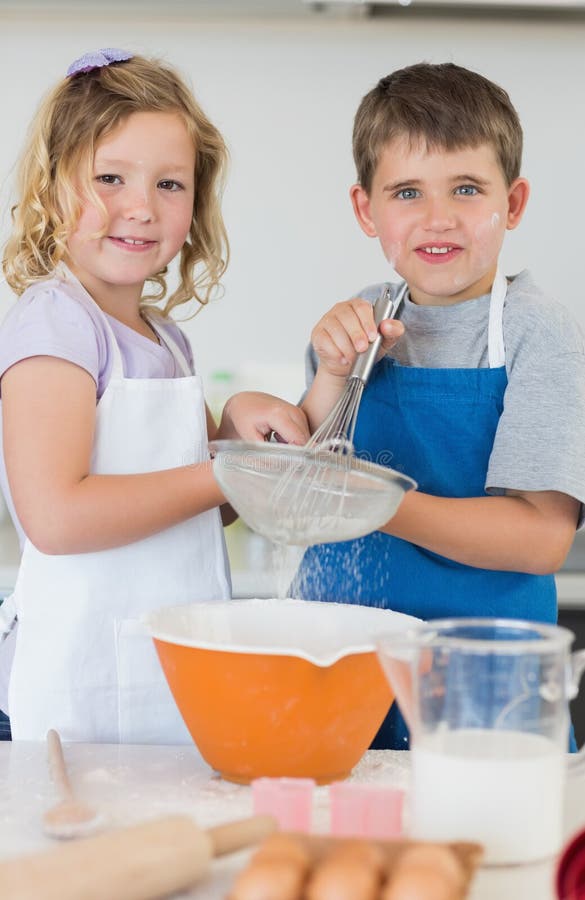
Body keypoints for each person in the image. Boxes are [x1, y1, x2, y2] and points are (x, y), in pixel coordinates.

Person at [0, 49, 309, 743]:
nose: (139, 207)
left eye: (170, 184)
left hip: (161, 680)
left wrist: (235, 430)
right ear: (51, 190)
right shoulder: (57, 322)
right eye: (109, 178)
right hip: (79, 699)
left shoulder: (164, 338)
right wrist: (219, 468)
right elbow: (53, 515)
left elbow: (206, 509)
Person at [294, 62, 585, 749]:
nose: (437, 218)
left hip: (481, 689)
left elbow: (541, 536)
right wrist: (328, 374)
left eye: (465, 188)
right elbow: (303, 472)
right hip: (343, 673)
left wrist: (377, 502)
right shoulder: (358, 318)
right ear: (366, 210)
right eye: (405, 192)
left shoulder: (535, 332)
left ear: (510, 204)